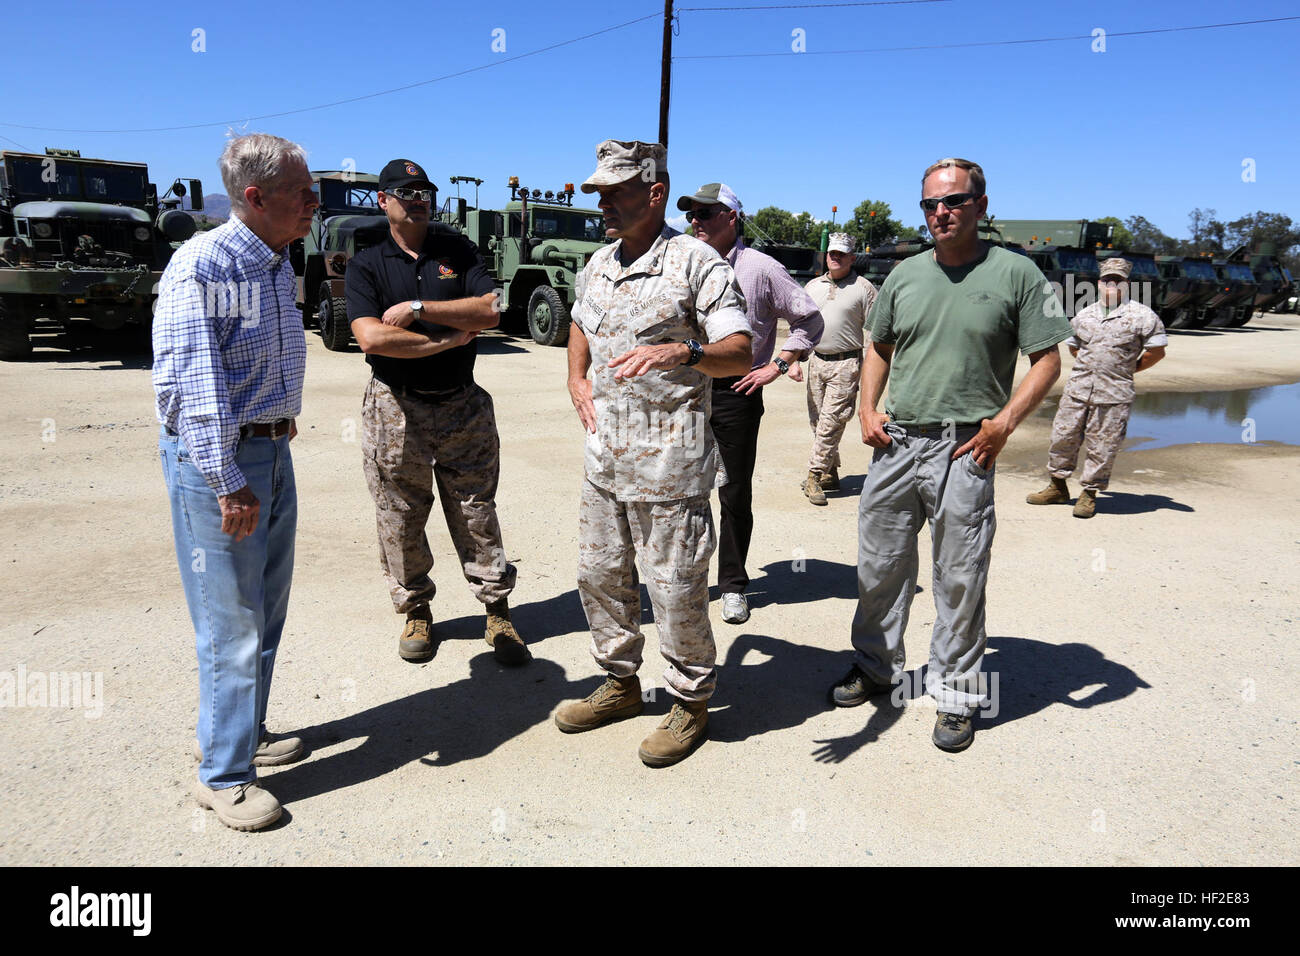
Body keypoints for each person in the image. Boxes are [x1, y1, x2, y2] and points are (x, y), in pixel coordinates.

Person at [833, 157, 1073, 752]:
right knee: (879, 567)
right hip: (897, 443)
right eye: (930, 204)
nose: (941, 212)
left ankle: (958, 695)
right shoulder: (905, 275)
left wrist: (1004, 424)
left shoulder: (1017, 274)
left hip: (967, 447)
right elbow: (879, 345)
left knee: (960, 576)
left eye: (954, 200)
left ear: (981, 205)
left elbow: (1047, 360)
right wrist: (867, 408)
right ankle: (876, 666)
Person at [556, 140, 753, 767]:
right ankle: (619, 682)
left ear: (655, 192)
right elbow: (580, 322)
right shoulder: (597, 263)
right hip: (605, 459)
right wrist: (576, 377)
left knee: (675, 587)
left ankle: (691, 700)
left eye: (615, 193)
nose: (603, 205)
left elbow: (740, 351)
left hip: (671, 461)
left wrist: (684, 352)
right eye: (599, 194)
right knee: (600, 575)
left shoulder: (696, 262)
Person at [154, 133, 318, 831]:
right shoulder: (205, 266)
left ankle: (243, 732)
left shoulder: (276, 261)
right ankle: (222, 776)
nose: (314, 203)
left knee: (266, 611)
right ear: (254, 197)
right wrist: (227, 480)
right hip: (220, 463)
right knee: (231, 624)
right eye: (302, 192)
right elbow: (195, 387)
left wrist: (277, 421)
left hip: (270, 451)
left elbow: (256, 359)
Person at [345, 158, 529, 666]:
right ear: (383, 201)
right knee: (400, 514)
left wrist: (420, 309)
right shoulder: (367, 263)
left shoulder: (457, 251)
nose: (418, 201)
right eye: (406, 193)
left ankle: (497, 610)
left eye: (424, 192)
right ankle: (416, 610)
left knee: (476, 509)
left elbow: (491, 309)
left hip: (461, 403)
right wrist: (446, 341)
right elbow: (371, 337)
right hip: (395, 405)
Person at [676, 182, 824, 623]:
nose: (696, 221)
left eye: (706, 213)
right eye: (692, 214)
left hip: (735, 394)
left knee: (734, 492)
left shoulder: (761, 269)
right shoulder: (681, 262)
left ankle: (733, 586)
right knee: (679, 489)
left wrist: (777, 365)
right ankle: (684, 580)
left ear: (731, 218)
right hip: (684, 393)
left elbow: (809, 318)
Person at [1026, 257, 1167, 518]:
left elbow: (1156, 352)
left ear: (1127, 284)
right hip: (1077, 391)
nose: (1111, 284)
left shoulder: (1143, 316)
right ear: (1099, 283)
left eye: (1118, 280)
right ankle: (1057, 487)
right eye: (1107, 279)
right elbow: (1074, 346)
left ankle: (1089, 494)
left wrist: (1128, 369)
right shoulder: (1085, 314)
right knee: (1062, 438)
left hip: (1114, 394)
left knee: (1102, 446)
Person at [802, 232, 877, 505]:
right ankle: (830, 471)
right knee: (817, 422)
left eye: (842, 254)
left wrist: (870, 371)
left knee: (830, 423)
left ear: (852, 258)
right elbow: (802, 325)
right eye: (832, 253)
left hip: (846, 364)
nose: (835, 257)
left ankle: (814, 475)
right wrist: (797, 359)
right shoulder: (813, 286)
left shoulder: (864, 289)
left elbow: (875, 332)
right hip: (817, 361)